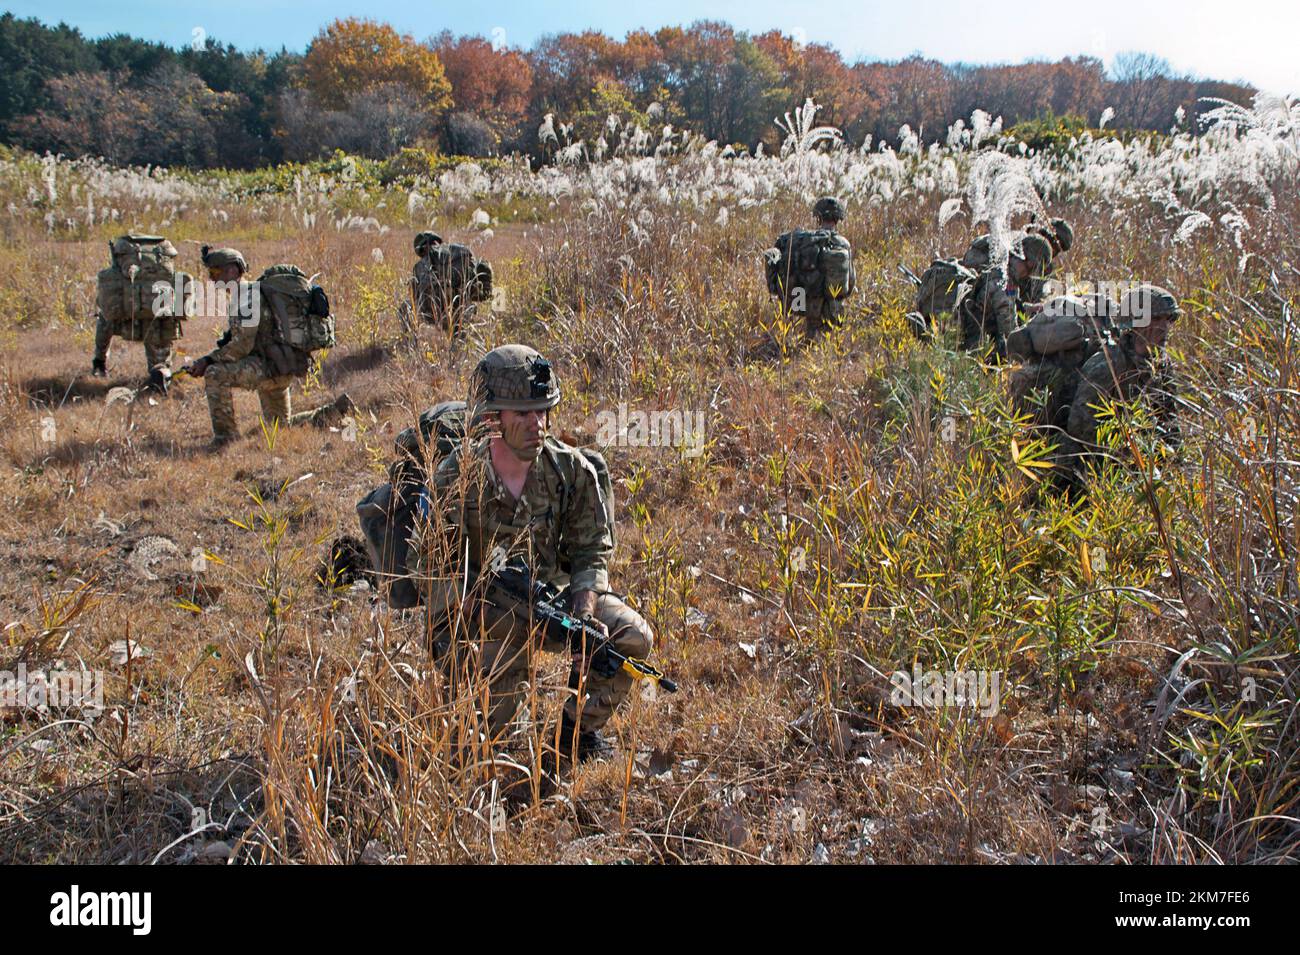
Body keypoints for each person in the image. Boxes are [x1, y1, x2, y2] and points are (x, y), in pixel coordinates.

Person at [410, 344, 653, 764]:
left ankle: (576, 734)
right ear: (492, 418)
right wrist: (466, 600)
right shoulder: (456, 477)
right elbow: (422, 564)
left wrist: (582, 612)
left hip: (550, 598)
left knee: (630, 638)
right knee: (499, 748)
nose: (536, 423)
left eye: (542, 411)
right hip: (482, 612)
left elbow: (591, 551)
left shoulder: (570, 470)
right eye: (522, 413)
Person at [182, 246, 352, 449]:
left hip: (268, 368)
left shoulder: (245, 296)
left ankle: (224, 440)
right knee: (280, 427)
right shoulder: (251, 292)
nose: (211, 279)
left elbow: (241, 346)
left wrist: (208, 361)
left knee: (214, 373)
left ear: (233, 271)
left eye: (215, 273)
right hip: (281, 365)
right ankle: (332, 412)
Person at [1056, 285, 1181, 483]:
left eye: (1169, 319)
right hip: (1092, 461)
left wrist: (1176, 462)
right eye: (1156, 319)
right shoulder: (1107, 365)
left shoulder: (1161, 365)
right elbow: (1080, 429)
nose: (1164, 327)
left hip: (1136, 452)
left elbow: (1170, 419)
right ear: (1135, 324)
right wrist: (1128, 451)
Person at [91, 233, 191, 393]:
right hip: (160, 312)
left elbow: (107, 306)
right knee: (159, 359)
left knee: (105, 318)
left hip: (129, 308)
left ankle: (99, 363)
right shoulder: (163, 255)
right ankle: (160, 374)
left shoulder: (120, 270)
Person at [764, 197, 856, 339]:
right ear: (838, 219)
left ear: (818, 218)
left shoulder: (802, 241)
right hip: (829, 308)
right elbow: (849, 285)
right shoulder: (843, 243)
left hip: (800, 303)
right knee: (824, 344)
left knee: (802, 340)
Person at [956, 233, 1054, 359]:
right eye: (1030, 267)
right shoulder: (1004, 284)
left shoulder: (1000, 269)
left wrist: (1031, 309)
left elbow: (1006, 307)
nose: (1028, 274)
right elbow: (1011, 336)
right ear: (1020, 255)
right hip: (975, 351)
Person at [411, 231, 493, 336]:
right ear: (436, 241)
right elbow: (477, 287)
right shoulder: (458, 251)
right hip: (462, 315)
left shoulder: (418, 268)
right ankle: (501, 315)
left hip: (431, 322)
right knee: (484, 268)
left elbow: (415, 300)